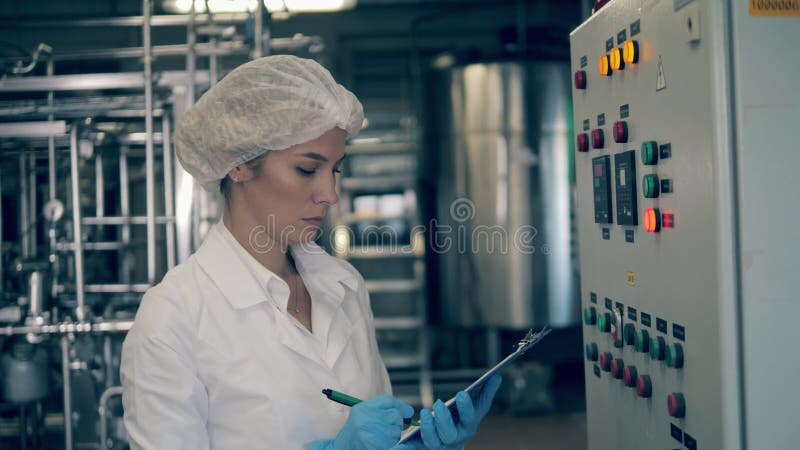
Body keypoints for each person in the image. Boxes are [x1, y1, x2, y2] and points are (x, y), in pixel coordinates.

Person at [120, 55, 501, 450]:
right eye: (307, 169)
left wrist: (414, 444)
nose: (330, 195)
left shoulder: (343, 285)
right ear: (236, 164)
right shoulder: (173, 317)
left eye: (335, 169)